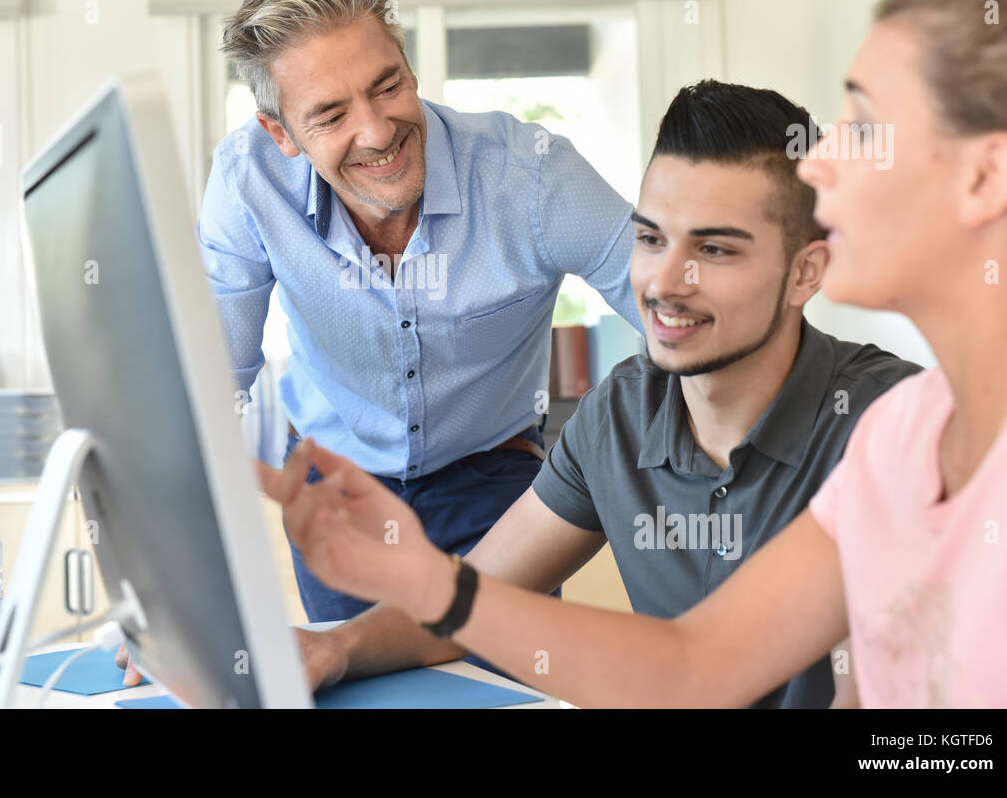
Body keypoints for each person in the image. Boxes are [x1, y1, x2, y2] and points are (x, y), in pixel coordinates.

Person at [266, 0, 1007, 707]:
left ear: (987, 178)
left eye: (864, 128)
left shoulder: (899, 421)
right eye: (650, 239)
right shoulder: (906, 434)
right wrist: (418, 583)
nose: (818, 160)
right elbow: (698, 668)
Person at [276, 79, 920, 707]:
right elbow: (474, 599)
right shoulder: (621, 414)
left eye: (715, 249)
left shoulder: (895, 425)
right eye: (651, 239)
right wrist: (335, 648)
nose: (664, 283)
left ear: (805, 272)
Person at [199, 0, 642, 622]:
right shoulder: (247, 184)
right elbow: (208, 386)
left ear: (408, 68)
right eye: (330, 116)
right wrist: (171, 595)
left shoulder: (531, 180)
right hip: (334, 486)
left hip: (496, 480)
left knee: (505, 671)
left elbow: (678, 306)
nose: (378, 132)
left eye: (387, 87)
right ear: (280, 133)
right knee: (349, 666)